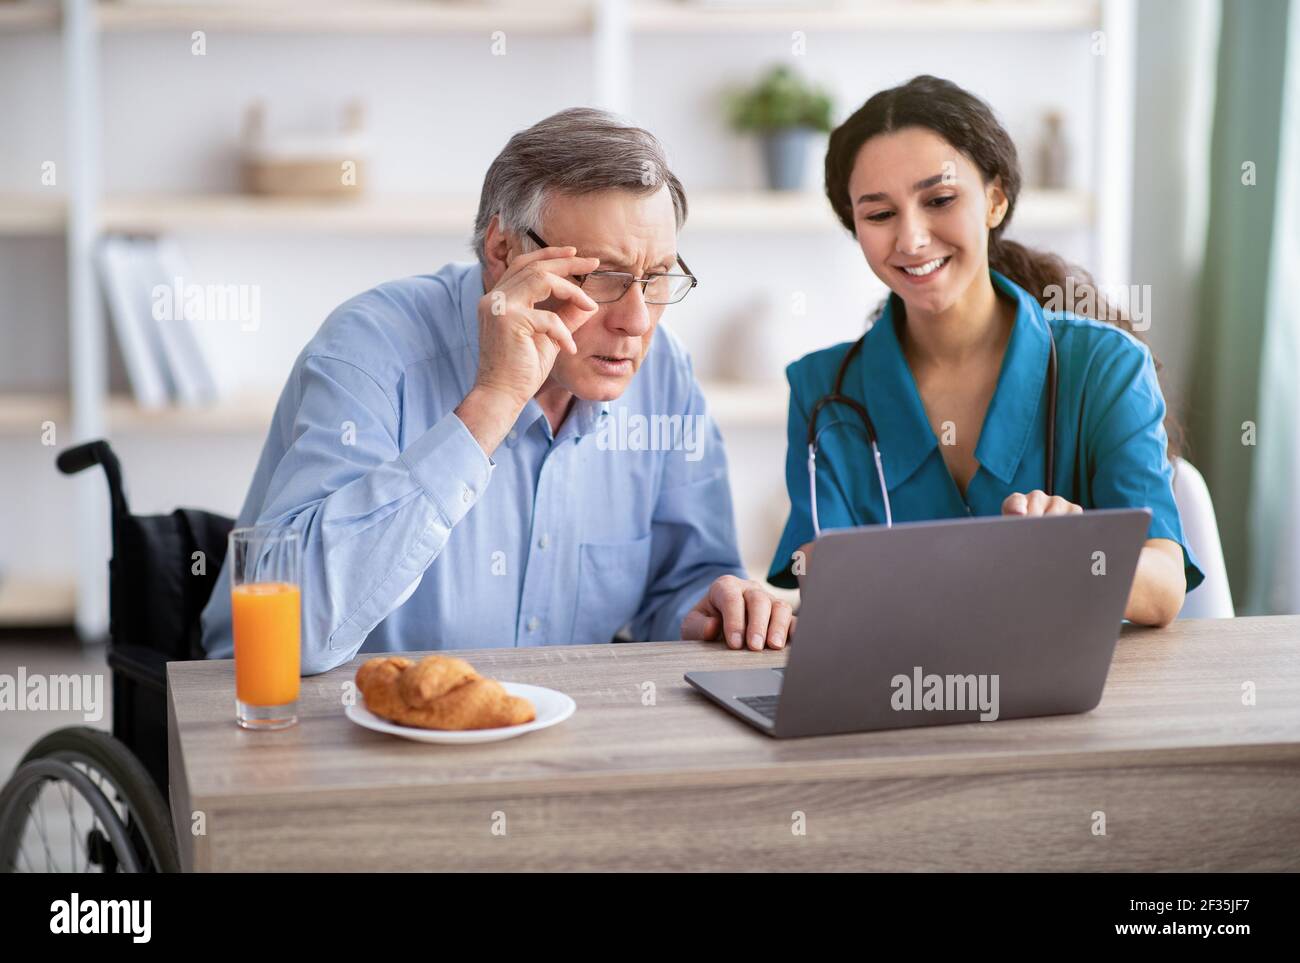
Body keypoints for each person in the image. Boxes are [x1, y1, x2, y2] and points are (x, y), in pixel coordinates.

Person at [202, 108, 793, 674]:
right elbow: (283, 639)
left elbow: (679, 587)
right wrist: (492, 402)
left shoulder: (663, 373)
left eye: (658, 276)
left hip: (557, 746)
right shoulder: (370, 351)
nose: (636, 321)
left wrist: (710, 610)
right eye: (602, 277)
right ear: (503, 251)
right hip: (324, 735)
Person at [768, 76, 1203, 626]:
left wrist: (1075, 554)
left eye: (941, 200)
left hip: (1074, 695)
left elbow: (1164, 587)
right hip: (899, 694)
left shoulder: (1106, 367)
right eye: (879, 215)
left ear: (995, 200)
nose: (911, 239)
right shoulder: (823, 388)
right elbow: (825, 582)